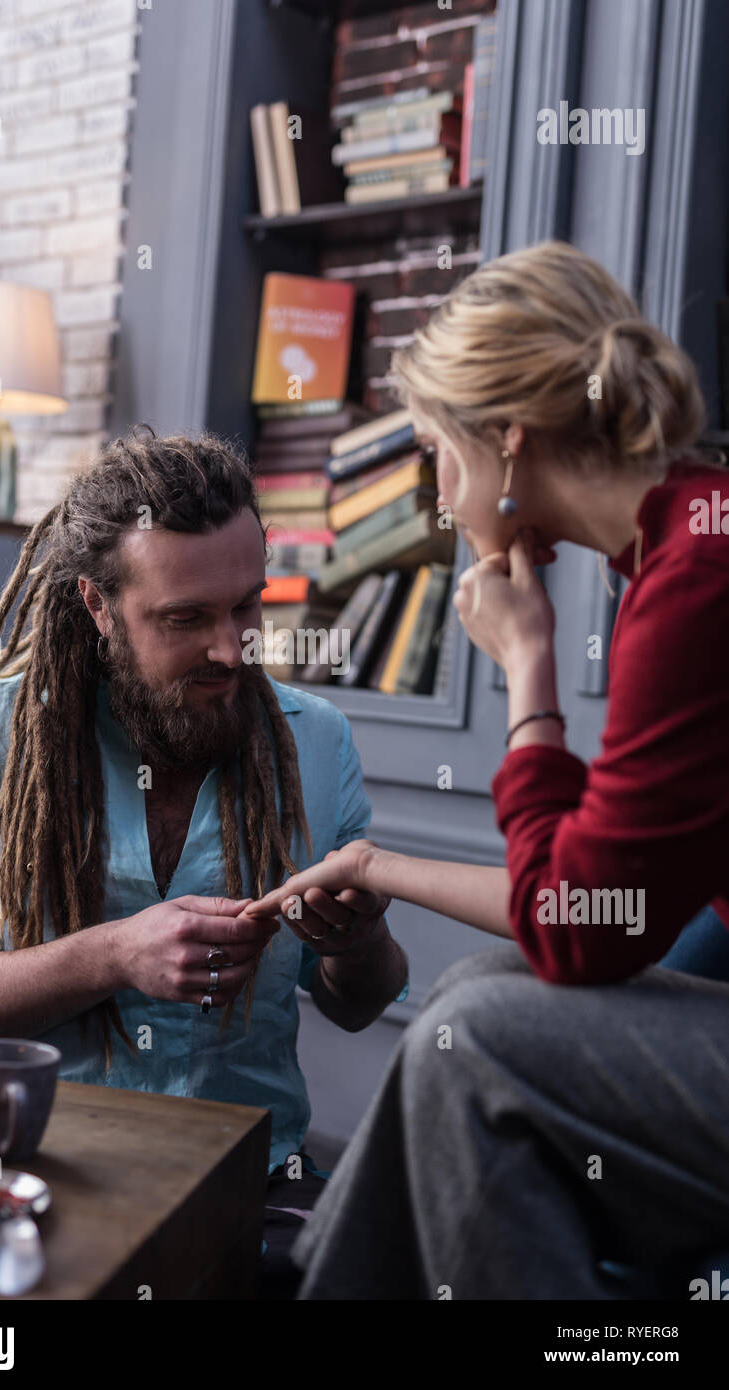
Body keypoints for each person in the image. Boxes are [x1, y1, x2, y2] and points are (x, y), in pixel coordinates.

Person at [248, 239, 729, 1299]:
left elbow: (576, 926)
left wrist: (527, 666)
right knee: (473, 998)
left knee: (468, 1039)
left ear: (505, 442)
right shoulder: (680, 542)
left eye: (435, 452)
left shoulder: (695, 581)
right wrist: (370, 861)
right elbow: (599, 897)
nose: (437, 491)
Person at [0, 429, 408, 1298]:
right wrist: (112, 954)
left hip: (254, 1180)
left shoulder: (316, 742)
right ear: (98, 604)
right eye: (187, 619)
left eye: (246, 607)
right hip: (32, 1172)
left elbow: (360, 1003)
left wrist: (356, 940)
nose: (232, 649)